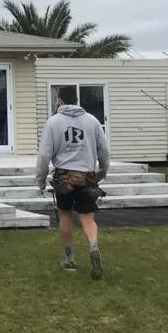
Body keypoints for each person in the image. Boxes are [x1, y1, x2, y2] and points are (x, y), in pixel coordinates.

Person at [35, 85, 111, 279]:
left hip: (64, 178)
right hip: (86, 176)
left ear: (59, 100)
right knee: (87, 216)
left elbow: (44, 155)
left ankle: (69, 259)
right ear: (76, 99)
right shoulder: (92, 121)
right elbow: (103, 150)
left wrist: (41, 179)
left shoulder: (53, 122)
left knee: (66, 215)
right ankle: (93, 246)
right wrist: (102, 171)